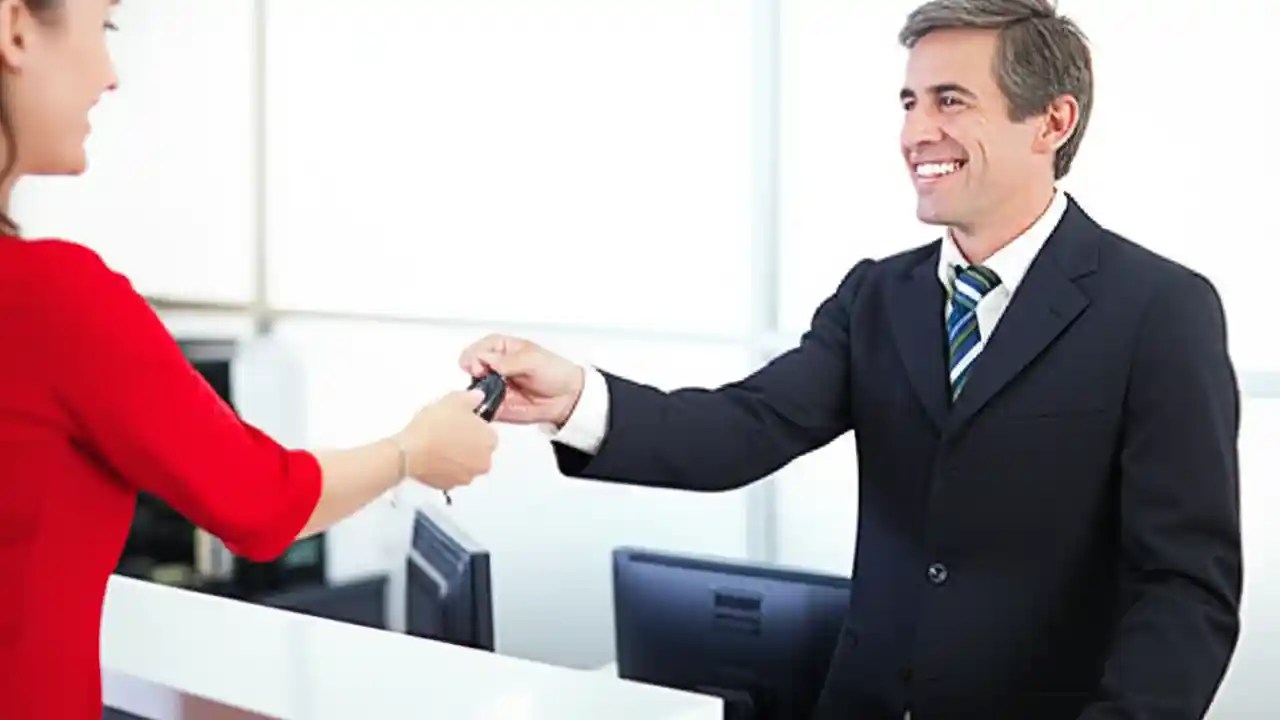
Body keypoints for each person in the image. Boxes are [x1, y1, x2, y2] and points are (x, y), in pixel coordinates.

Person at [460, 0, 1242, 717]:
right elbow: (744, 427)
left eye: (951, 101)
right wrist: (572, 400)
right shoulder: (877, 297)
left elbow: (1185, 590)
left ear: (1052, 121)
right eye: (910, 102)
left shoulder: (1159, 311)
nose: (915, 132)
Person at [0, 1, 498, 717]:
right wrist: (415, 450)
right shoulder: (55, 299)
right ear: (16, 27)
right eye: (105, 26)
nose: (111, 77)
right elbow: (263, 503)